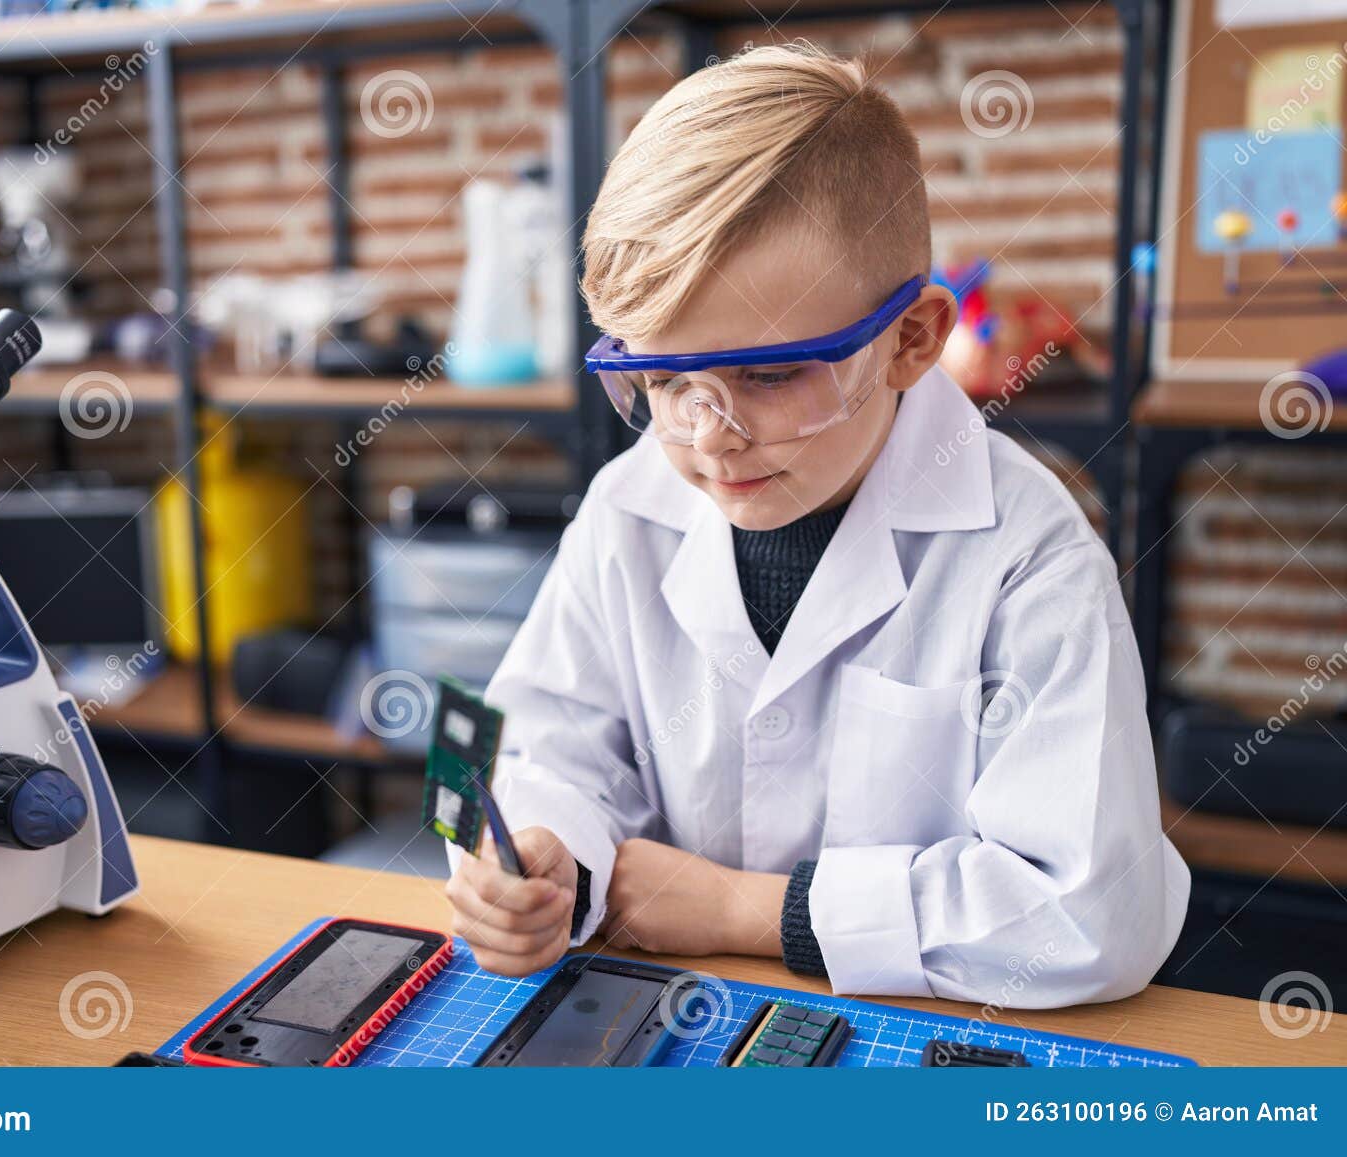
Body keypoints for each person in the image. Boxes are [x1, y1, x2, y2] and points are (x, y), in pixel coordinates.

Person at [445, 42, 1188, 1007]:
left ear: (912, 338)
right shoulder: (630, 506)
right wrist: (549, 855)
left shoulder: (1026, 552)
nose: (708, 436)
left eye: (766, 375)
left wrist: (744, 910)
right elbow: (551, 744)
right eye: (660, 378)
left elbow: (1090, 912)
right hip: (677, 1003)